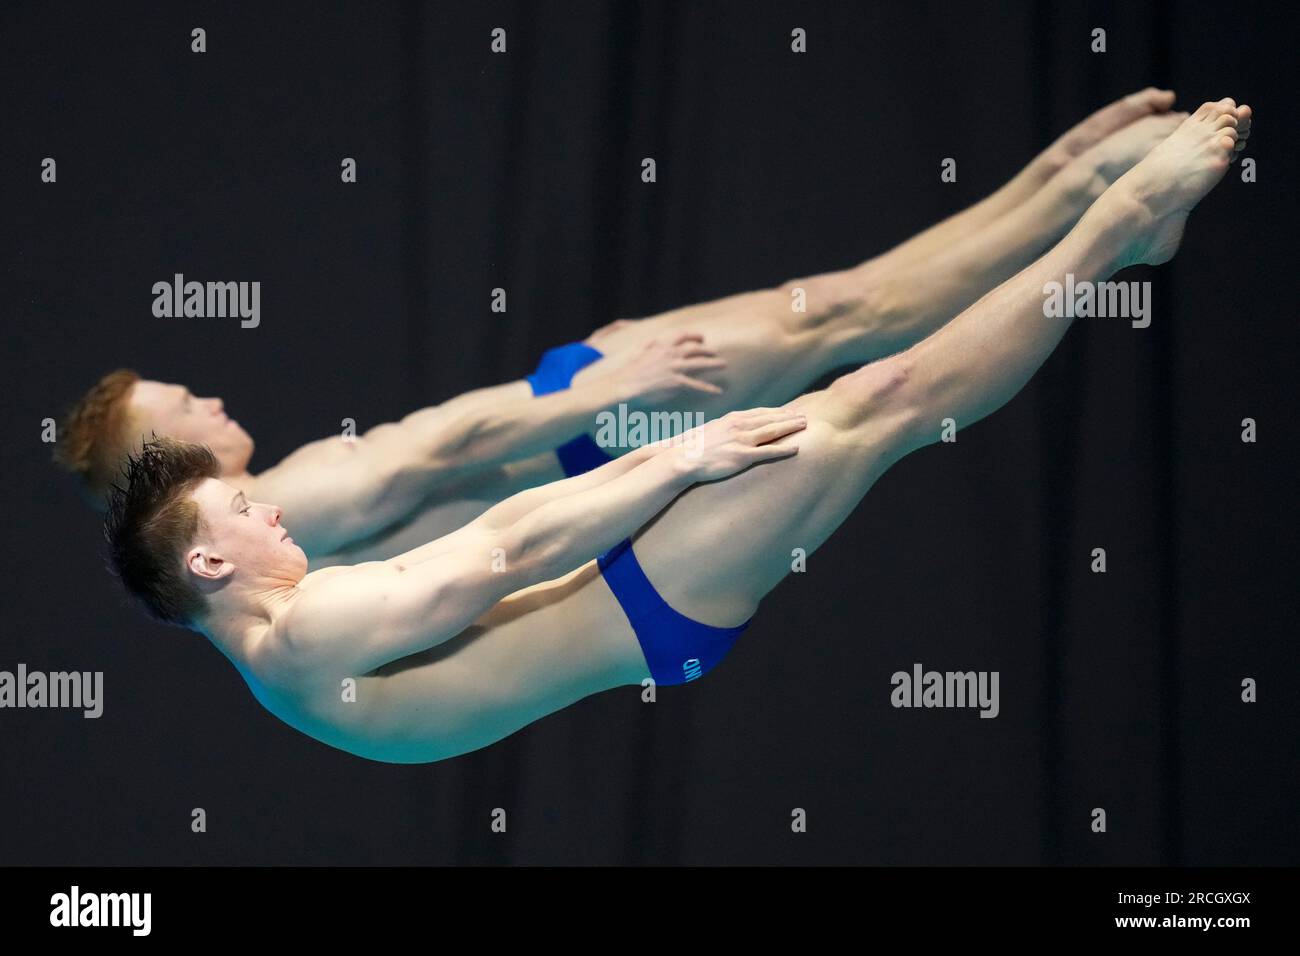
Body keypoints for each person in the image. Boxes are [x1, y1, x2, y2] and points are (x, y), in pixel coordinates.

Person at [102, 99, 1252, 764]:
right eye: (231, 501)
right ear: (206, 557)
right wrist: (648, 439)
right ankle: (1116, 226)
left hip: (596, 510)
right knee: (879, 399)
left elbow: (489, 508)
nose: (235, 462)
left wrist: (638, 438)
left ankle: (1078, 199)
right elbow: (497, 540)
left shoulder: (289, 616)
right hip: (639, 593)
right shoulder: (306, 627)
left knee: (855, 332)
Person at [63, 91, 1186, 565]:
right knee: (856, 314)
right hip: (597, 421)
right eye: (186, 406)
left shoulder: (280, 507)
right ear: (167, 460)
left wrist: (589, 387)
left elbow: (455, 454)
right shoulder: (292, 501)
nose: (210, 399)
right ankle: (1081, 191)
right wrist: (609, 389)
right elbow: (452, 451)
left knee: (853, 308)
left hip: (584, 410)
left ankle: (1068, 182)